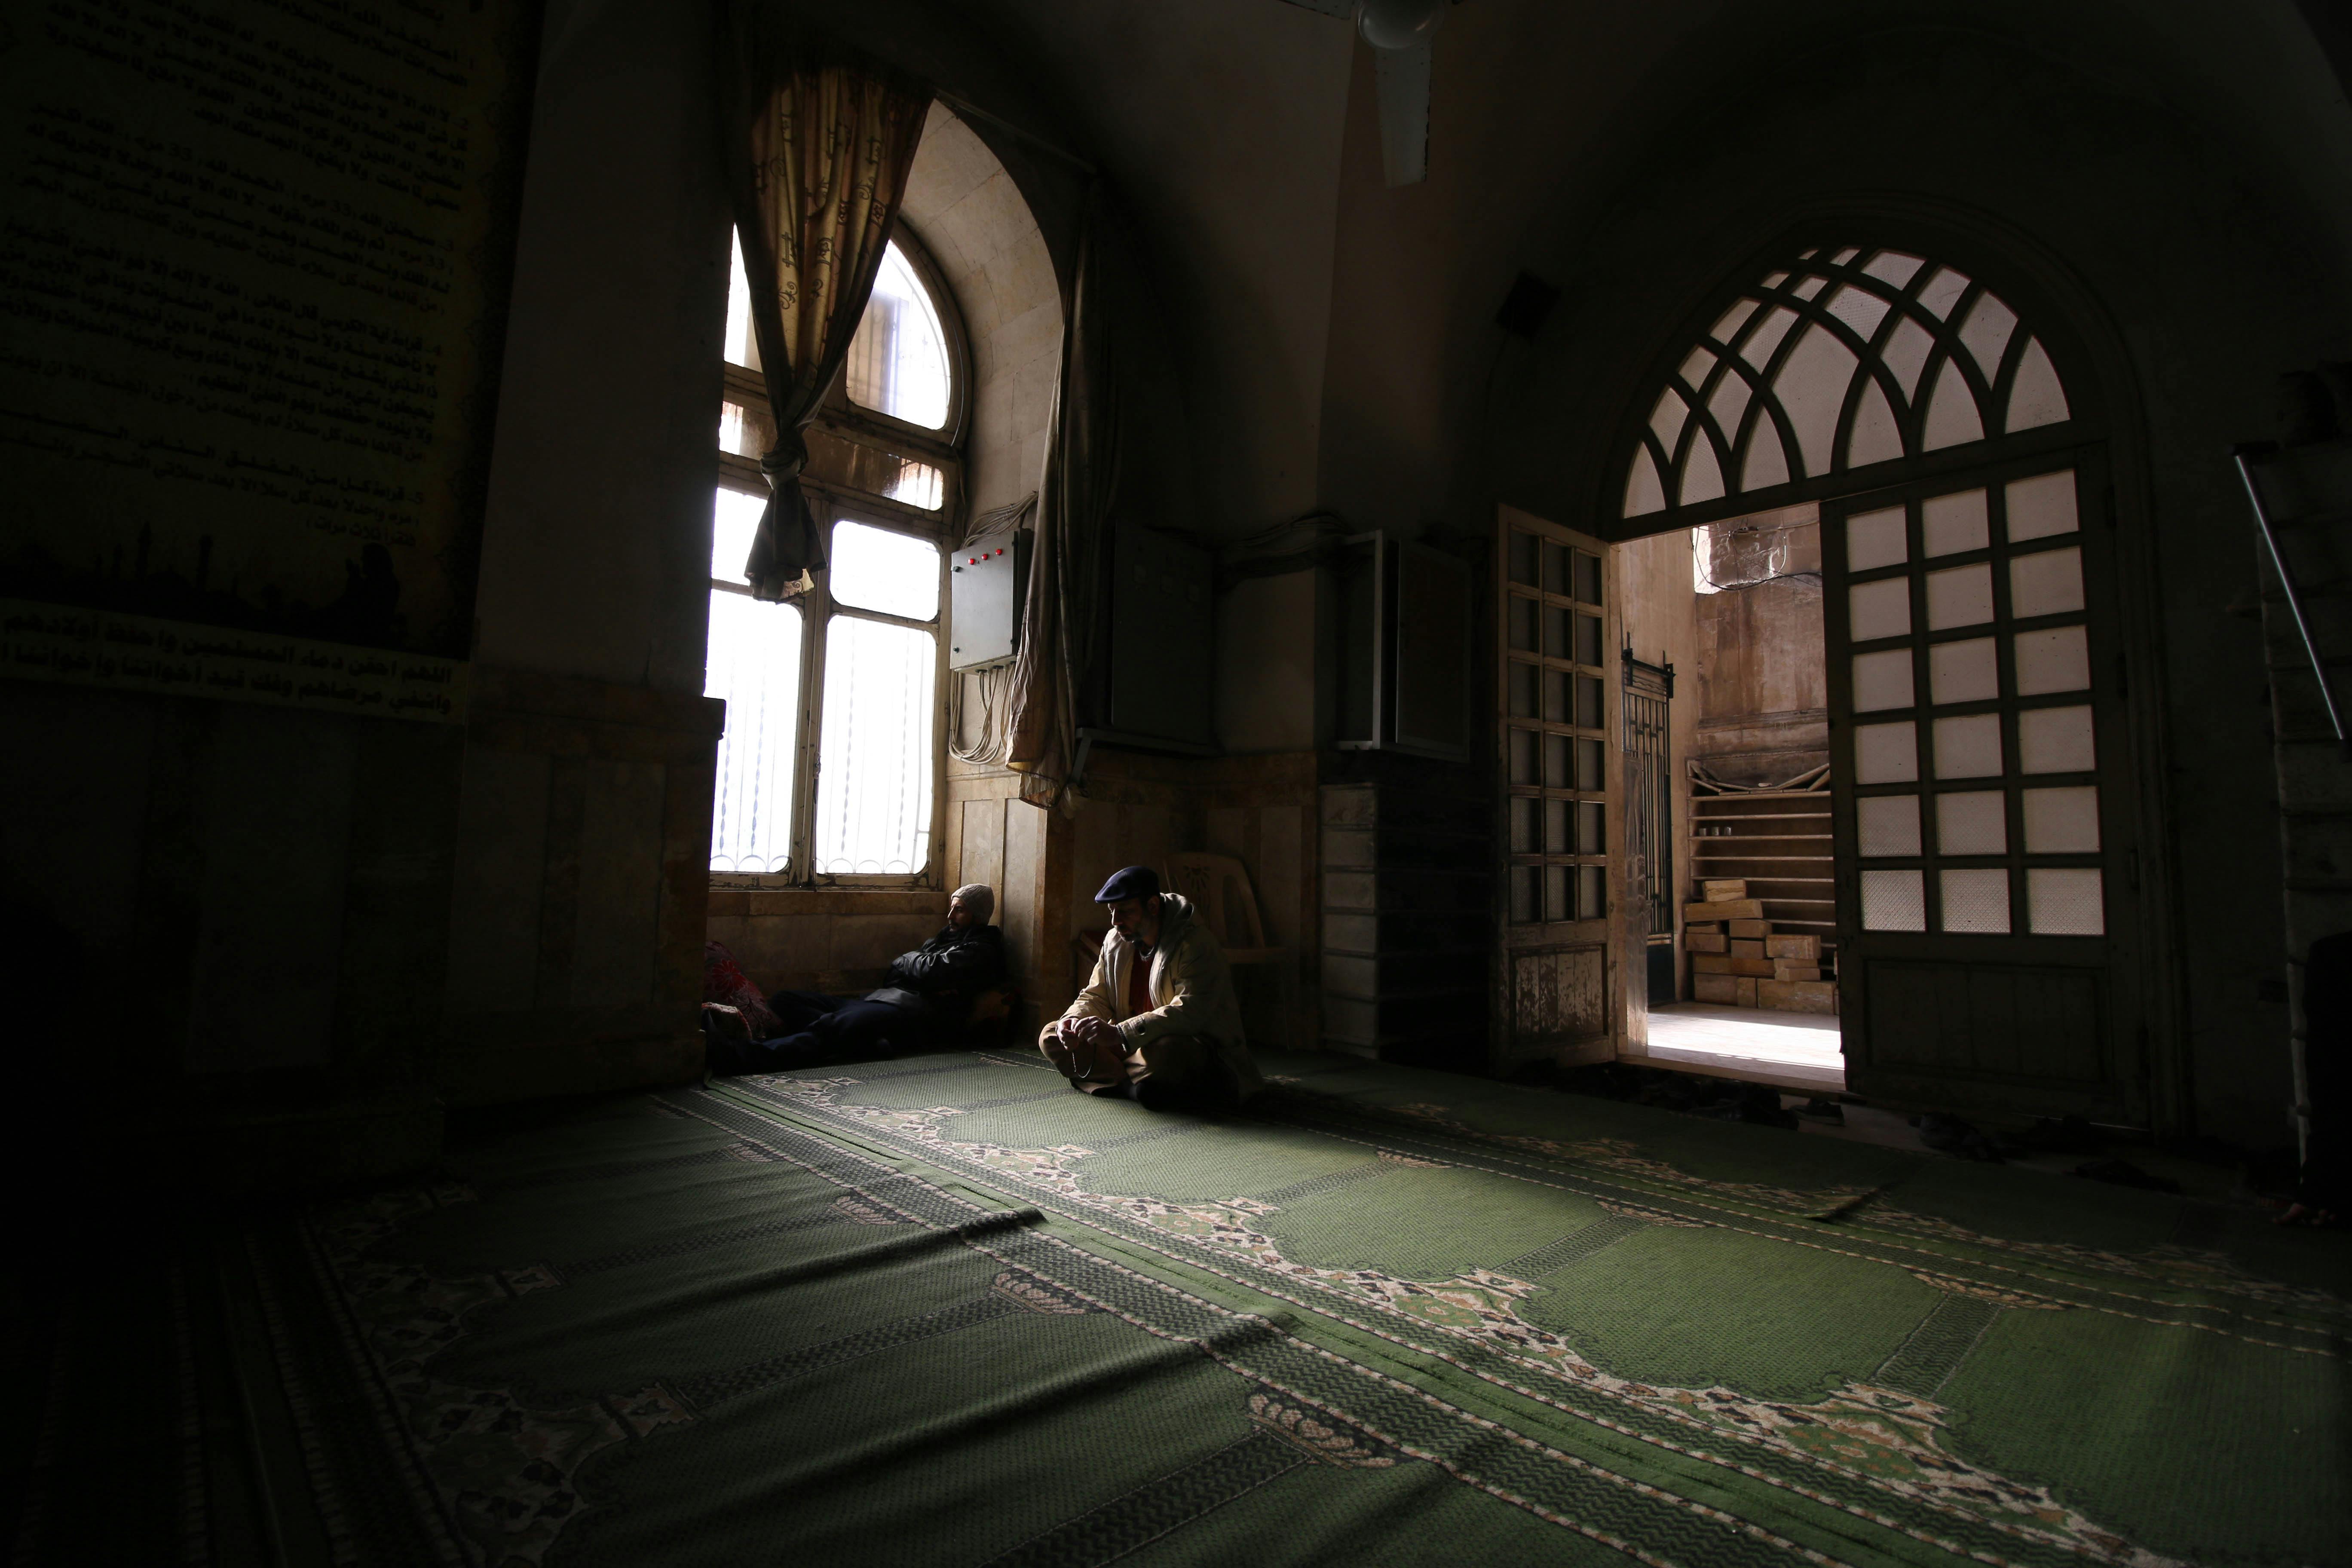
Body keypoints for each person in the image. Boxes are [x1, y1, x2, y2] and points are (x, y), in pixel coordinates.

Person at [705, 884, 1005, 1075]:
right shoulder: (943, 940)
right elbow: (901, 973)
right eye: (951, 906)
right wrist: (915, 966)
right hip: (880, 1000)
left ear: (977, 916)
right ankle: (867, 1044)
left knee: (830, 1027)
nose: (950, 915)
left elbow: (926, 971)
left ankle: (740, 1057)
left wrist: (907, 960)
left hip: (909, 1014)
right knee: (785, 1000)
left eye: (960, 910)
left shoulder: (982, 949)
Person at [1041, 865, 1263, 1111]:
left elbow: (1189, 1013)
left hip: (1183, 1046)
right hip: (1130, 1044)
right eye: (1112, 912)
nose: (1116, 922)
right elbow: (1096, 995)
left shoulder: (1196, 945)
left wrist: (1120, 1035)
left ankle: (1110, 1078)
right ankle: (1135, 1088)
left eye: (1125, 912)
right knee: (1050, 1036)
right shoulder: (1116, 940)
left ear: (1153, 907)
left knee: (1169, 1052)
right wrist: (1072, 1021)